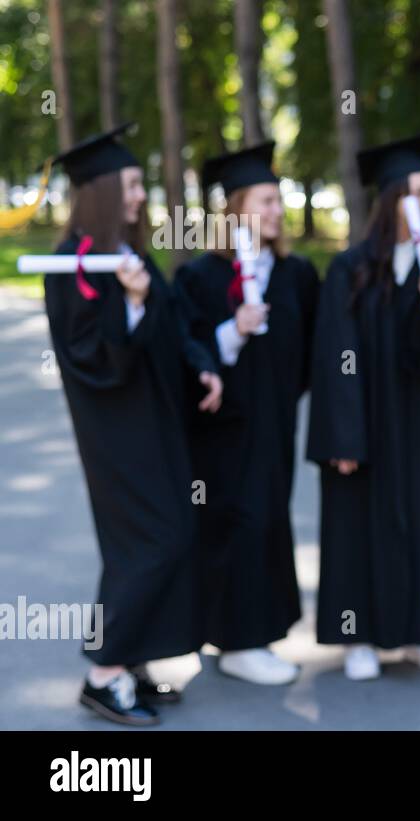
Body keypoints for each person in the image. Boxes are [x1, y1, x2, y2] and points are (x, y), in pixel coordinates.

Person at [44, 124, 224, 725]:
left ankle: (134, 661)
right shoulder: (71, 265)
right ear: (97, 191)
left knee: (160, 541)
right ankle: (103, 672)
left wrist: (200, 368)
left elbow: (172, 331)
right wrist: (132, 303)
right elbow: (93, 358)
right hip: (116, 433)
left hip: (158, 425)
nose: (140, 195)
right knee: (152, 544)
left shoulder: (130, 255)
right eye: (128, 184)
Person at [306, 134, 420, 681]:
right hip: (360, 424)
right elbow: (335, 359)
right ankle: (358, 637)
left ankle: (414, 633)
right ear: (390, 198)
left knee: (413, 522)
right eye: (415, 192)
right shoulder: (349, 269)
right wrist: (342, 440)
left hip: (413, 420)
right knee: (355, 525)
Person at [173, 142, 319, 685]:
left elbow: (309, 356)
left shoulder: (295, 276)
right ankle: (237, 643)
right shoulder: (201, 278)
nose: (277, 212)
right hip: (220, 433)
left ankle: (253, 636)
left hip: (275, 425)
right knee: (232, 523)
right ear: (234, 209)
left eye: (279, 201)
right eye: (265, 201)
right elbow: (182, 348)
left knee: (267, 522)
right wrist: (232, 332)